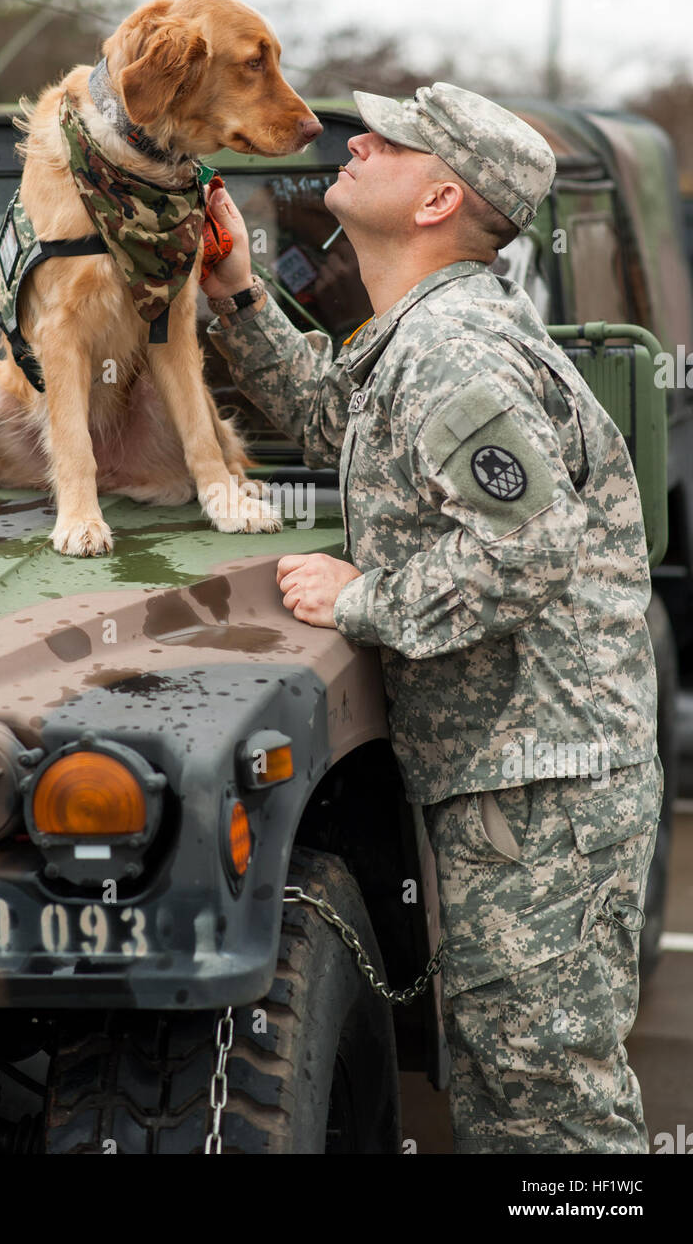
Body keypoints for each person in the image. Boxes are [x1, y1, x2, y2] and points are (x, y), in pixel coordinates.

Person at [200, 81, 662, 1155]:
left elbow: (527, 545)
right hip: (520, 771)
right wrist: (237, 291)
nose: (353, 139)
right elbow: (337, 415)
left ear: (438, 195)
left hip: (545, 781)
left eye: (390, 139)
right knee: (507, 1088)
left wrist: (363, 600)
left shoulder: (455, 348)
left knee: (550, 1100)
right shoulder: (422, 336)